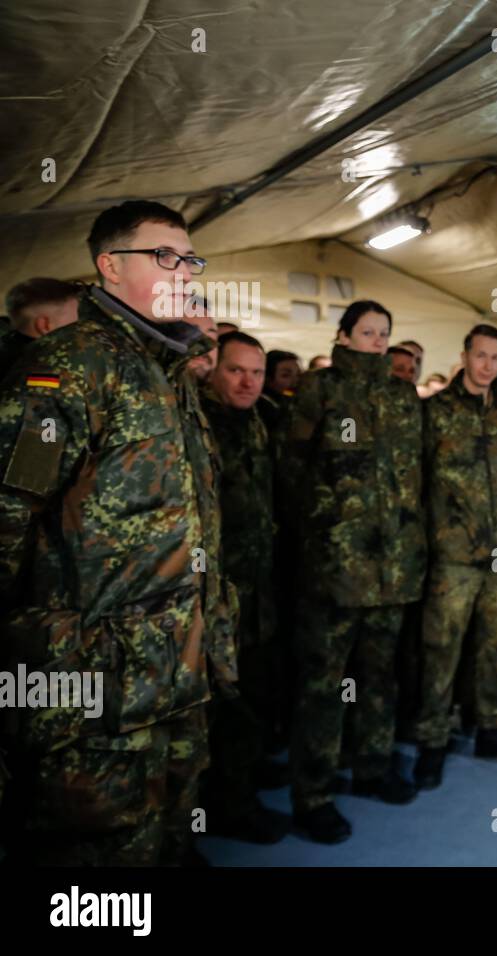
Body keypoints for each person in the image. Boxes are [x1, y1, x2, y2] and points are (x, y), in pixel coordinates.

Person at [0, 200, 235, 865]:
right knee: (100, 855)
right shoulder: (67, 369)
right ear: (109, 266)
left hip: (177, 674)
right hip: (95, 688)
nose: (183, 271)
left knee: (175, 833)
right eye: (164, 257)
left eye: (189, 259)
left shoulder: (167, 373)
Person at [281, 300, 426, 843]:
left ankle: (372, 766)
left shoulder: (401, 394)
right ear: (343, 335)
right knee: (322, 685)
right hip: (336, 569)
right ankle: (312, 792)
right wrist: (324, 537)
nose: (378, 342)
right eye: (367, 332)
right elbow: (292, 469)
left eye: (384, 333)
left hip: (394, 568)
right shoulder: (321, 390)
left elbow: (415, 477)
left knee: (379, 678)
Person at [413, 324, 497, 790]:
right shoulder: (435, 412)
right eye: (480, 356)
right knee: (441, 652)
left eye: (495, 357)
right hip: (454, 556)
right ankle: (432, 739)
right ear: (464, 356)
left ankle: (492, 727)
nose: (487, 366)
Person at [200, 331, 288, 842]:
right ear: (214, 370)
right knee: (221, 706)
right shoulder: (202, 425)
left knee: (252, 693)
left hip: (256, 592)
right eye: (236, 370)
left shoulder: (257, 421)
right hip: (215, 597)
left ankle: (243, 780)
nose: (248, 381)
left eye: (256, 372)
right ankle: (226, 804)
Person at [0, 277, 80, 379]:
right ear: (45, 325)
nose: (80, 326)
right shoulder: (44, 367)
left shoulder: (9, 345)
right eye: (75, 320)